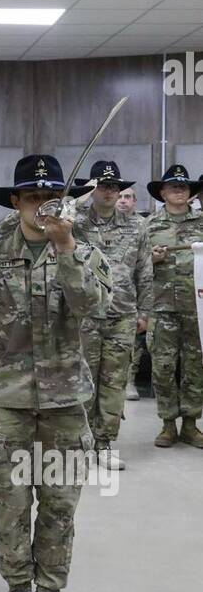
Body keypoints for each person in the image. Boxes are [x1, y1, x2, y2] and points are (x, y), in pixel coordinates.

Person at [0, 155, 112, 592]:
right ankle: (19, 589)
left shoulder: (84, 253)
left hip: (65, 403)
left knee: (60, 502)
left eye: (51, 197)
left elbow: (96, 308)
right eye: (33, 197)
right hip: (6, 404)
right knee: (12, 500)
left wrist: (66, 245)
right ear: (17, 202)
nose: (42, 206)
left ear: (62, 203)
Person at [73, 161, 151, 469]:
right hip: (86, 314)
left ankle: (104, 443)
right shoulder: (76, 222)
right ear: (93, 189)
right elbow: (48, 219)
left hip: (123, 315)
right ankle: (81, 441)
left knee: (114, 382)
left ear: (120, 190)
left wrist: (145, 312)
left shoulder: (137, 226)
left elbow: (145, 271)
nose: (108, 191)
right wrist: (80, 195)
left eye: (112, 186)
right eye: (101, 186)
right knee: (83, 379)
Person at [145, 165, 203, 449]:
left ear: (191, 193)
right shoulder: (149, 225)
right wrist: (151, 260)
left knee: (196, 367)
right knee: (163, 367)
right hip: (162, 307)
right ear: (163, 192)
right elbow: (135, 265)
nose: (179, 190)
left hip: (197, 308)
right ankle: (168, 424)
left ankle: (191, 425)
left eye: (184, 186)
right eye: (173, 186)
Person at [116, 186, 147, 399]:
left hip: (133, 293)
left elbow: (146, 264)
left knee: (132, 342)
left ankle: (129, 382)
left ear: (134, 201)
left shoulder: (144, 225)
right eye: (120, 196)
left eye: (128, 197)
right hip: (105, 295)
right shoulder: (92, 223)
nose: (123, 200)